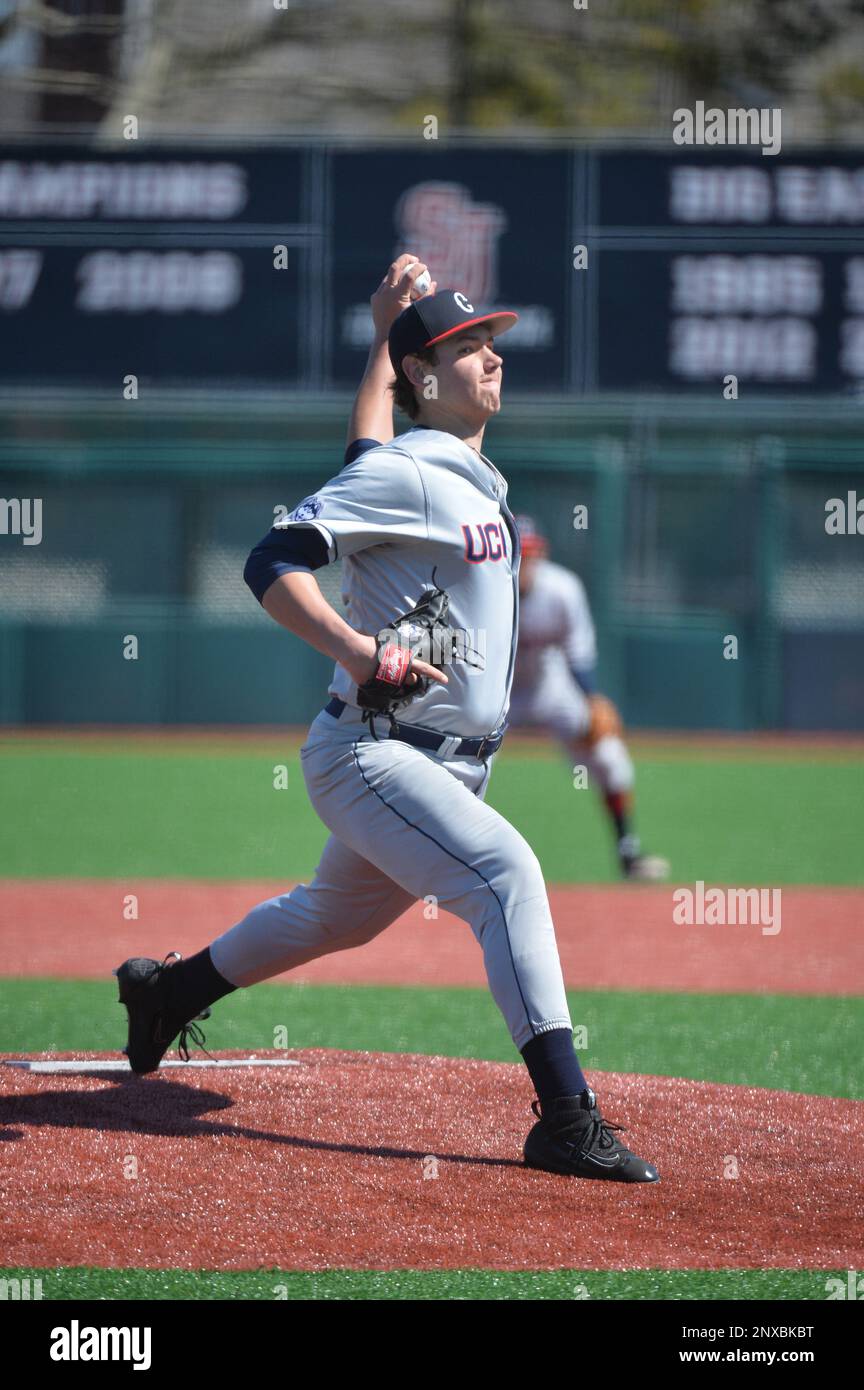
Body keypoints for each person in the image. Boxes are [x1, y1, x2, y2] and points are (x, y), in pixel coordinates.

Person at [114, 256, 659, 1184]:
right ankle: (566, 1118)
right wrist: (356, 651)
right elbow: (273, 559)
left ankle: (169, 990)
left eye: (491, 343)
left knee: (335, 917)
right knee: (505, 875)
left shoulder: (447, 468)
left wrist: (381, 336)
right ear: (425, 378)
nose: (492, 358)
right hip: (374, 751)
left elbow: (367, 451)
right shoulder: (417, 470)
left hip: (443, 760)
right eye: (467, 345)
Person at [509, 515, 669, 881]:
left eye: (531, 555)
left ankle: (628, 853)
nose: (525, 563)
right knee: (464, 762)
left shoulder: (562, 589)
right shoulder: (485, 589)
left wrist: (590, 698)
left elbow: (577, 652)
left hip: (549, 686)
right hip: (498, 691)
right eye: (518, 554)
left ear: (542, 555)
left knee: (609, 756)